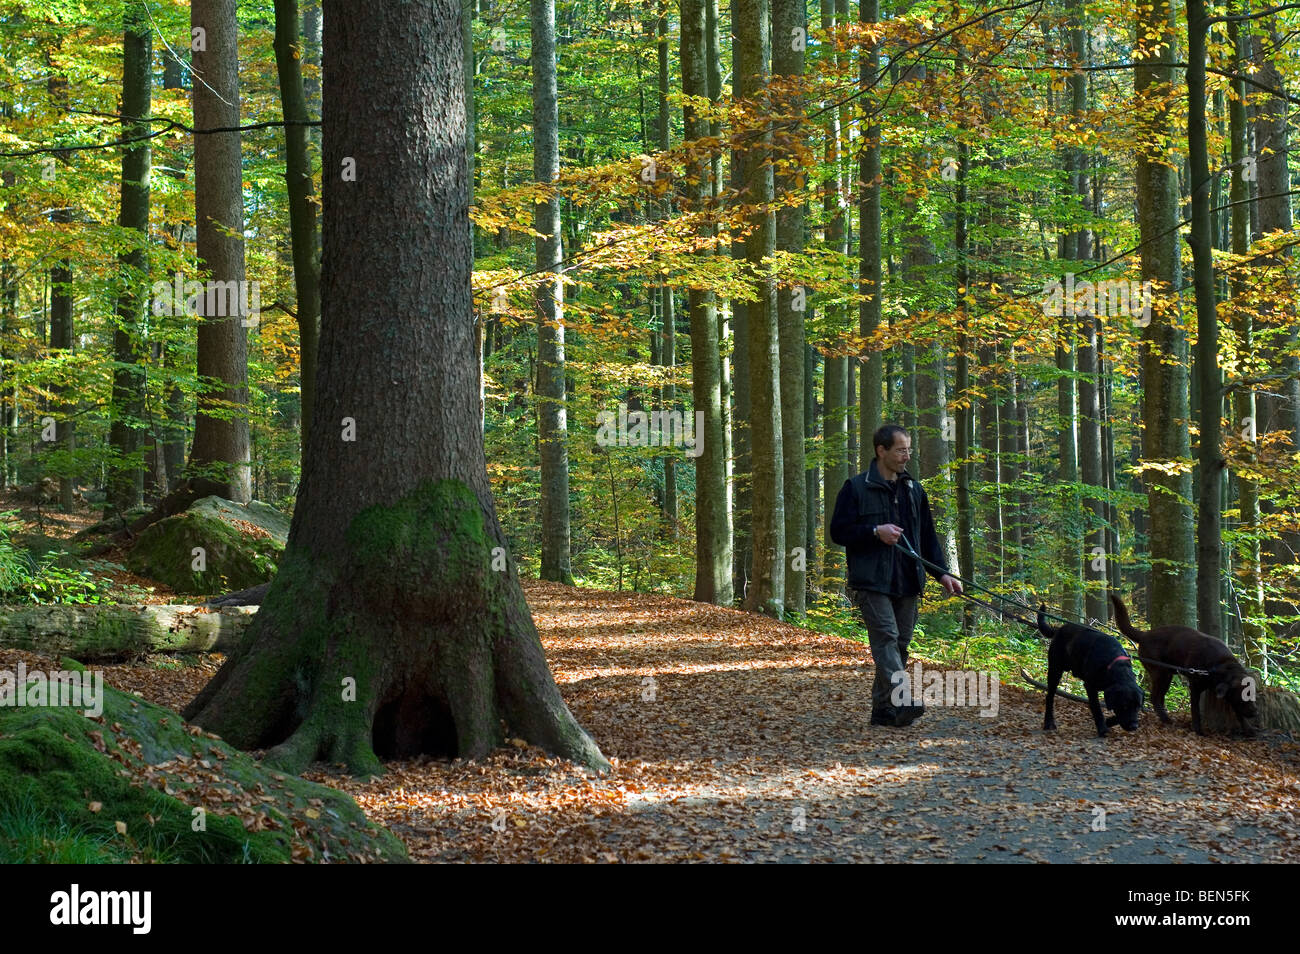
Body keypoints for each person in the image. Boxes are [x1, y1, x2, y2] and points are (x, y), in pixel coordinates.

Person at [830, 424, 963, 727]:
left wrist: (942, 574)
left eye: (909, 449)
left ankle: (883, 710)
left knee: (900, 645)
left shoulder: (914, 490)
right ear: (882, 451)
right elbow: (838, 532)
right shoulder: (855, 487)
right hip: (872, 581)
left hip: (908, 581)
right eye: (901, 449)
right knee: (886, 638)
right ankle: (902, 697)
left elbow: (927, 537)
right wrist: (876, 531)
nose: (907, 456)